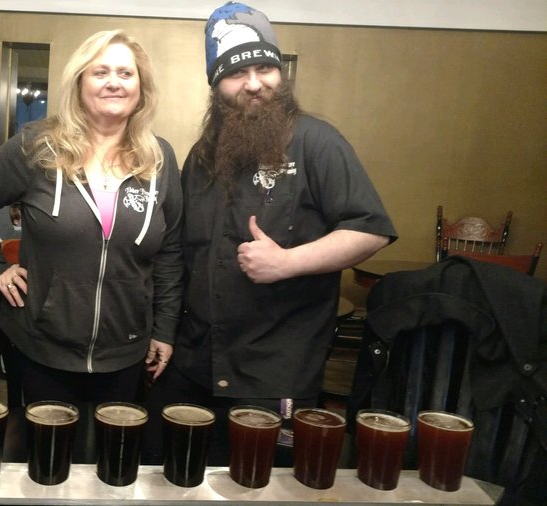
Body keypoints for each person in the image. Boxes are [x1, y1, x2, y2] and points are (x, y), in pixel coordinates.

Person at [145, 2, 397, 463]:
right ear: (215, 85)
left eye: (265, 68)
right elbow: (179, 253)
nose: (254, 83)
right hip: (193, 364)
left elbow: (371, 229)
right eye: (236, 73)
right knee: (175, 475)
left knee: (260, 484)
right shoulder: (200, 157)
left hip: (275, 374)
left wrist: (288, 261)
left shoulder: (317, 142)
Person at [0, 30, 183, 408]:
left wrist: (165, 328)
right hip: (41, 347)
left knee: (113, 445)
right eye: (100, 72)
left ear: (141, 87)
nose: (114, 82)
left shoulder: (160, 159)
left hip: (125, 351)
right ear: (79, 83)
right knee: (44, 444)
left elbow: (171, 251)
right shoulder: (38, 145)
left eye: (126, 73)